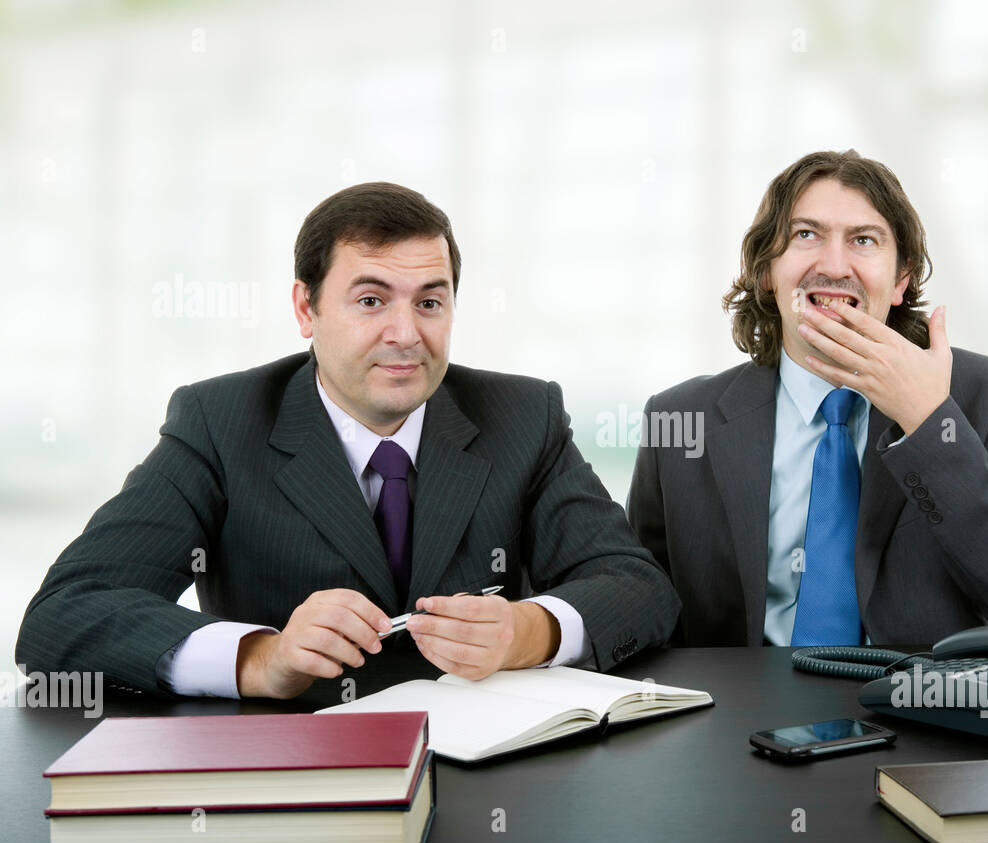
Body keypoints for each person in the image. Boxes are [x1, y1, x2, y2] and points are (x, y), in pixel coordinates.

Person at [18, 182, 679, 699]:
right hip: (297, 774)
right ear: (306, 309)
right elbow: (65, 615)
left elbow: (638, 586)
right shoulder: (221, 423)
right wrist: (262, 657)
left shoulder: (522, 415)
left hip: (493, 770)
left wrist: (527, 631)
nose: (405, 333)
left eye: (429, 301)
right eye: (371, 300)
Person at [626, 150, 988, 647]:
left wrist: (927, 423)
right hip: (741, 714)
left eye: (863, 240)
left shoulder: (985, 396)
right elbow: (642, 608)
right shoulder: (681, 420)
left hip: (921, 712)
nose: (834, 265)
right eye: (806, 235)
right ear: (766, 272)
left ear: (901, 278)